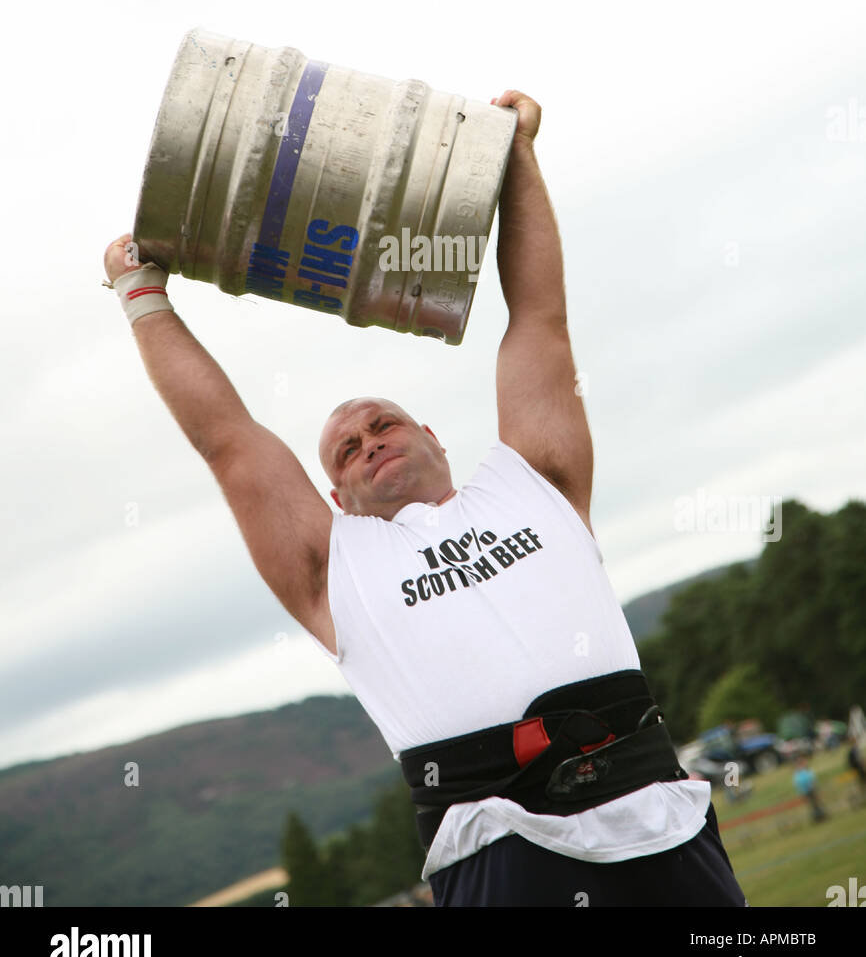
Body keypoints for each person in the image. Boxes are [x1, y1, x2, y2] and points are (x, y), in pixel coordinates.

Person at [104, 88, 747, 908]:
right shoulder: (332, 563)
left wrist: (518, 158)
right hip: (499, 849)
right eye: (348, 449)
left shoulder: (533, 480)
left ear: (436, 436)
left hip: (659, 811)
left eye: (384, 423)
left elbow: (539, 320)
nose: (370, 439)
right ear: (333, 495)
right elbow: (228, 440)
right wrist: (141, 295)